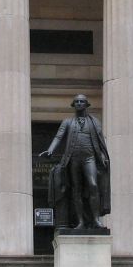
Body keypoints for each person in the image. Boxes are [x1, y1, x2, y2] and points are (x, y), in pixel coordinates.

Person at [39, 94, 111, 230]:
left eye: (82, 101)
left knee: (93, 185)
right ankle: (81, 222)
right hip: (73, 159)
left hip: (89, 158)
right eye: (76, 101)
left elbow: (101, 142)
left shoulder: (94, 122)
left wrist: (102, 155)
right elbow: (58, 137)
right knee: (76, 190)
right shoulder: (67, 122)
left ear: (86, 105)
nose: (79, 103)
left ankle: (96, 220)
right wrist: (50, 150)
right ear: (73, 105)